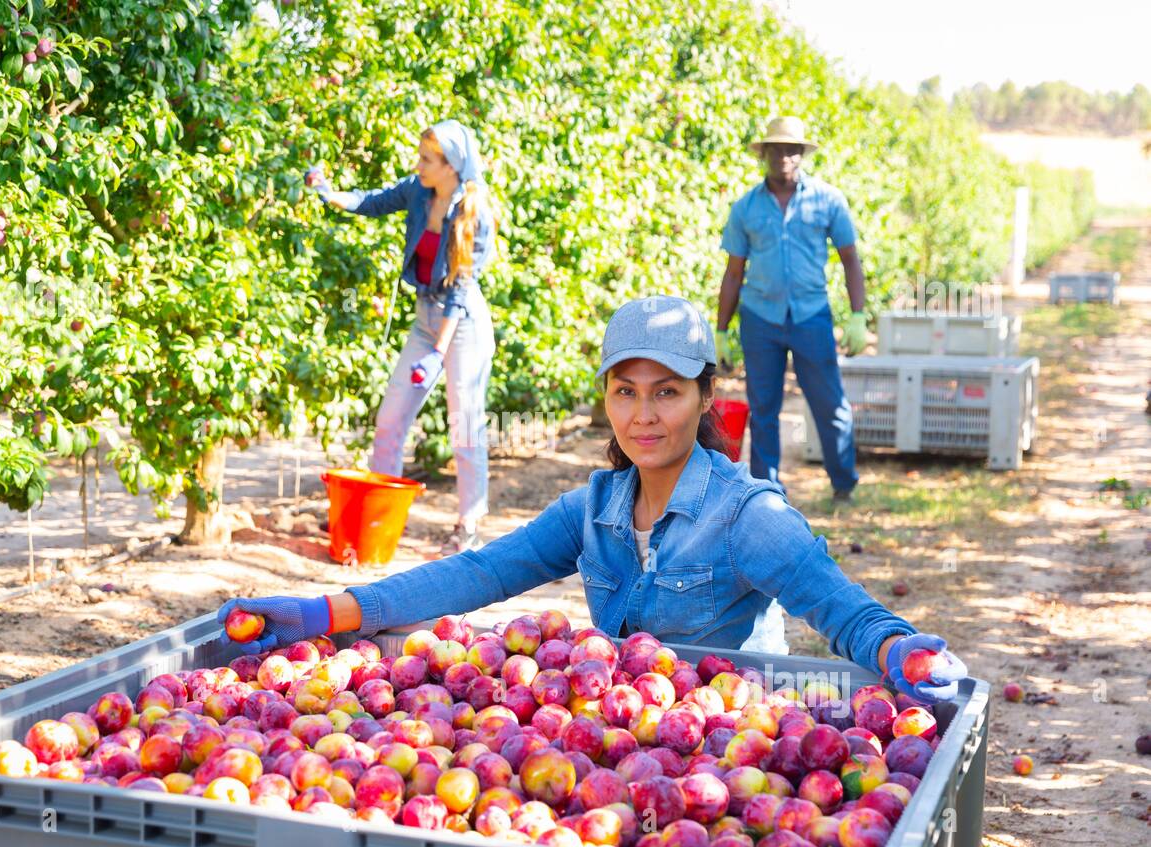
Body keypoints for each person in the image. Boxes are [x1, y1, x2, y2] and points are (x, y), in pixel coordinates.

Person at [216, 295, 968, 706]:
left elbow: (842, 610)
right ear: (607, 399)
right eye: (626, 393)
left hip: (732, 733)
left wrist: (897, 649)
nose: (645, 415)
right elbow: (475, 575)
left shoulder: (748, 516)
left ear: (707, 395)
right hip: (624, 733)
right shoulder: (594, 508)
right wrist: (324, 613)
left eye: (668, 393)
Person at [306, 120, 497, 555]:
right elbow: (373, 202)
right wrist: (328, 193)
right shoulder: (417, 190)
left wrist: (437, 350)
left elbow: (462, 288)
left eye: (427, 160)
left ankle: (468, 528)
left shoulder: (475, 212)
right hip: (426, 313)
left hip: (461, 323)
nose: (419, 165)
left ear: (452, 165)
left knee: (465, 425)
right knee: (391, 420)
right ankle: (375, 522)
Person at [716, 116, 868, 503]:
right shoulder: (746, 208)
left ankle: (843, 484)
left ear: (801, 154)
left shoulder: (828, 200)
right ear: (764, 153)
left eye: (791, 149)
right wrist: (720, 330)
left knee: (828, 402)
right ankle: (767, 494)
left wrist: (857, 315)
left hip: (810, 316)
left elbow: (850, 258)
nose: (784, 156)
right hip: (760, 318)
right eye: (776, 149)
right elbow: (734, 273)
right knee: (764, 407)